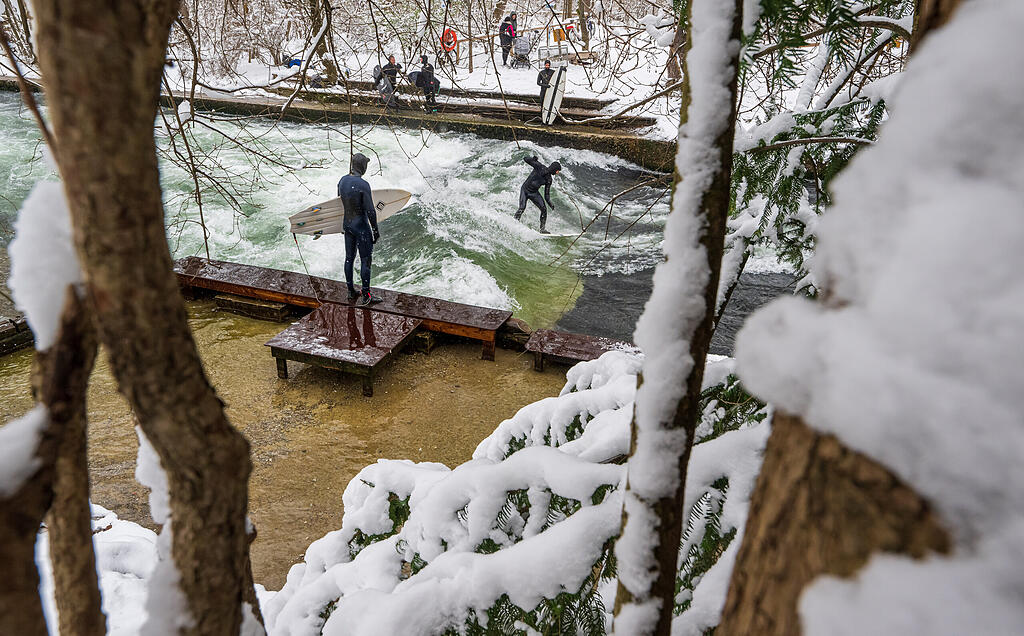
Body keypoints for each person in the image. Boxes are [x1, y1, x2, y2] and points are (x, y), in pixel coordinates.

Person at [337, 153, 383, 306]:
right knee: (365, 260)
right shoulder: (364, 185)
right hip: (361, 227)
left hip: (348, 225)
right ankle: (366, 295)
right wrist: (375, 230)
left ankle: (350, 291)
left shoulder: (342, 180)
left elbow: (338, 200)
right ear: (362, 166)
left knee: (349, 258)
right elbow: (370, 211)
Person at [514, 155, 561, 234]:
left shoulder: (549, 180)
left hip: (534, 193)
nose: (557, 173)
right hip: (525, 190)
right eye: (557, 171)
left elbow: (547, 195)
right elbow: (525, 158)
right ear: (555, 169)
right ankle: (514, 222)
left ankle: (542, 229)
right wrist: (532, 159)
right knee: (522, 207)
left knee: (544, 209)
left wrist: (550, 204)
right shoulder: (539, 166)